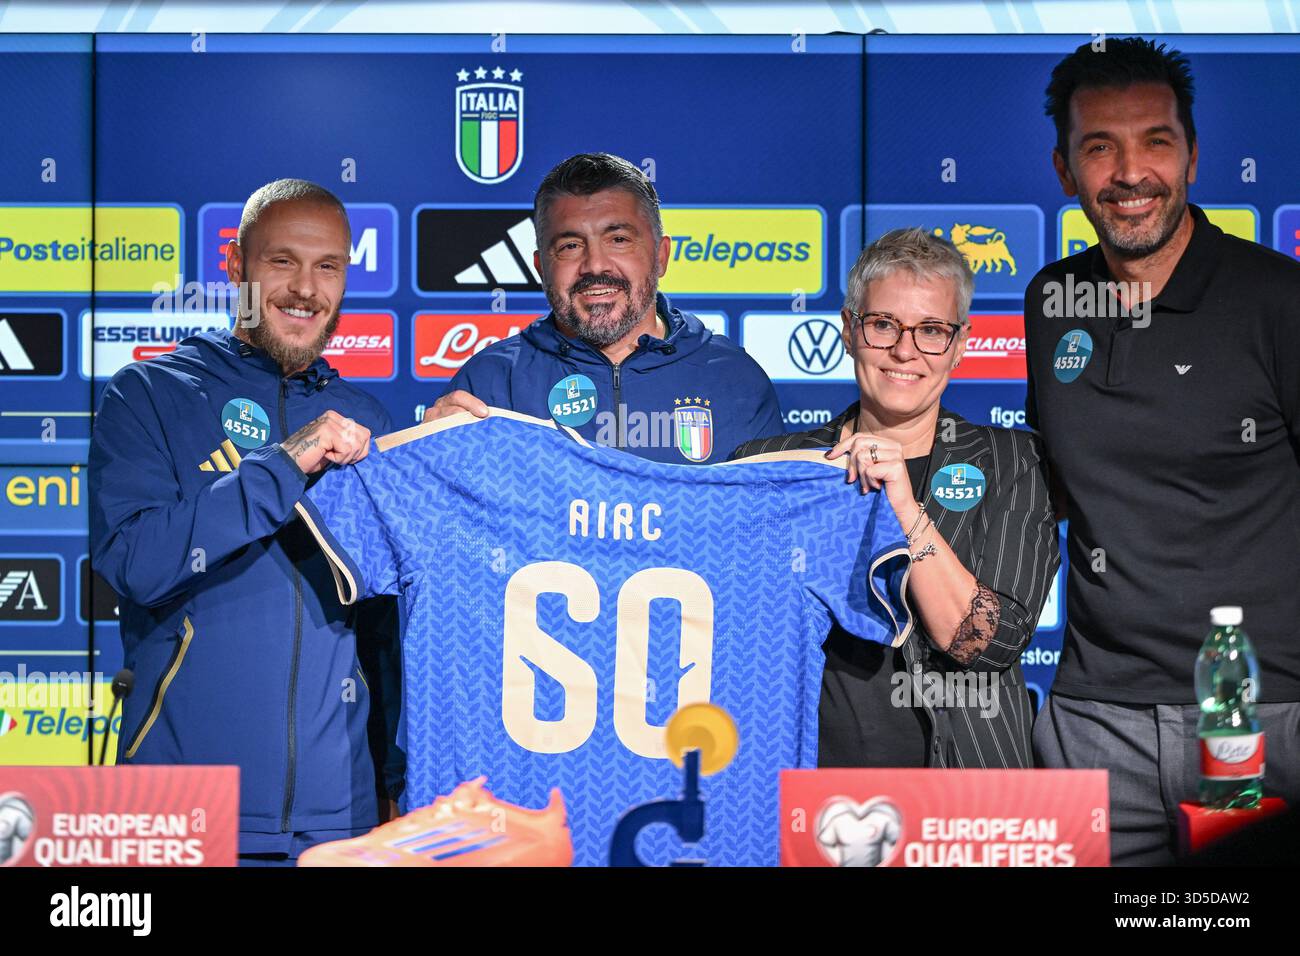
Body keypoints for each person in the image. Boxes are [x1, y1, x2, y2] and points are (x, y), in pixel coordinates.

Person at [1025, 38, 1300, 864]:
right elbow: (1056, 486)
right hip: (1093, 719)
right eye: (1098, 147)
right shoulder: (1051, 300)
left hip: (1254, 711)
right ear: (1065, 171)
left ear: (1192, 158)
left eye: (1155, 141)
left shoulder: (1277, 300)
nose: (1129, 172)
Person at [89, 179, 402, 865]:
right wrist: (283, 465)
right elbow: (136, 565)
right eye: (281, 261)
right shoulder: (149, 395)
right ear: (235, 266)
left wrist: (391, 787)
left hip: (338, 823)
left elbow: (384, 634)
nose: (304, 288)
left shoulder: (368, 422)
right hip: (182, 808)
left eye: (328, 266)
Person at [733, 228, 1059, 769]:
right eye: (884, 324)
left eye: (932, 330)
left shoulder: (1013, 462)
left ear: (960, 346)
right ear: (848, 330)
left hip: (966, 795)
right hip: (802, 786)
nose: (905, 350)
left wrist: (905, 507)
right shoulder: (772, 467)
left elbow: (986, 643)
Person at [423, 152, 783, 460]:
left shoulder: (735, 379)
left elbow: (766, 527)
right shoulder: (490, 383)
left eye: (619, 239)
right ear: (540, 268)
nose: (595, 265)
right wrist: (427, 459)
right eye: (569, 246)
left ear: (661, 257)